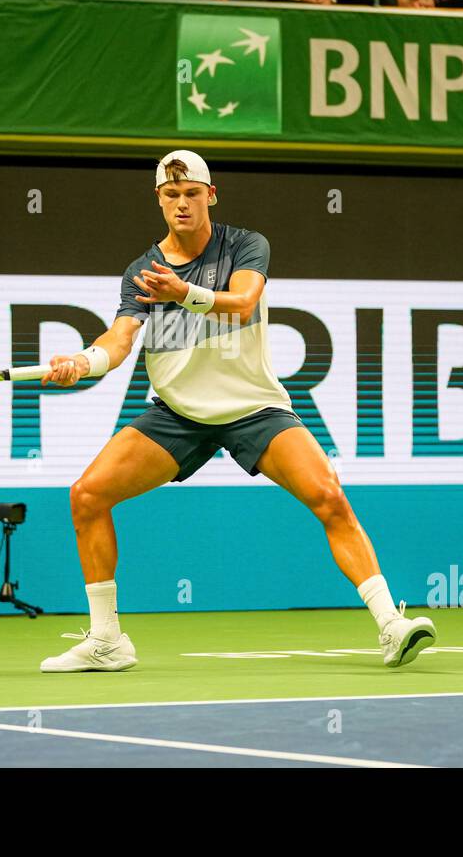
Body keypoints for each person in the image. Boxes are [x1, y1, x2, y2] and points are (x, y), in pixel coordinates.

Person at [37, 151, 438, 673]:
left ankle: (391, 624)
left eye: (192, 193)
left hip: (254, 408)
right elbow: (119, 341)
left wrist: (184, 293)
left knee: (328, 496)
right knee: (87, 495)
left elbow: (244, 302)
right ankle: (108, 641)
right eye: (171, 194)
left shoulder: (246, 244)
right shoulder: (141, 271)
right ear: (158, 200)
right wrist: (82, 361)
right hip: (178, 414)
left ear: (211, 194)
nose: (182, 203)